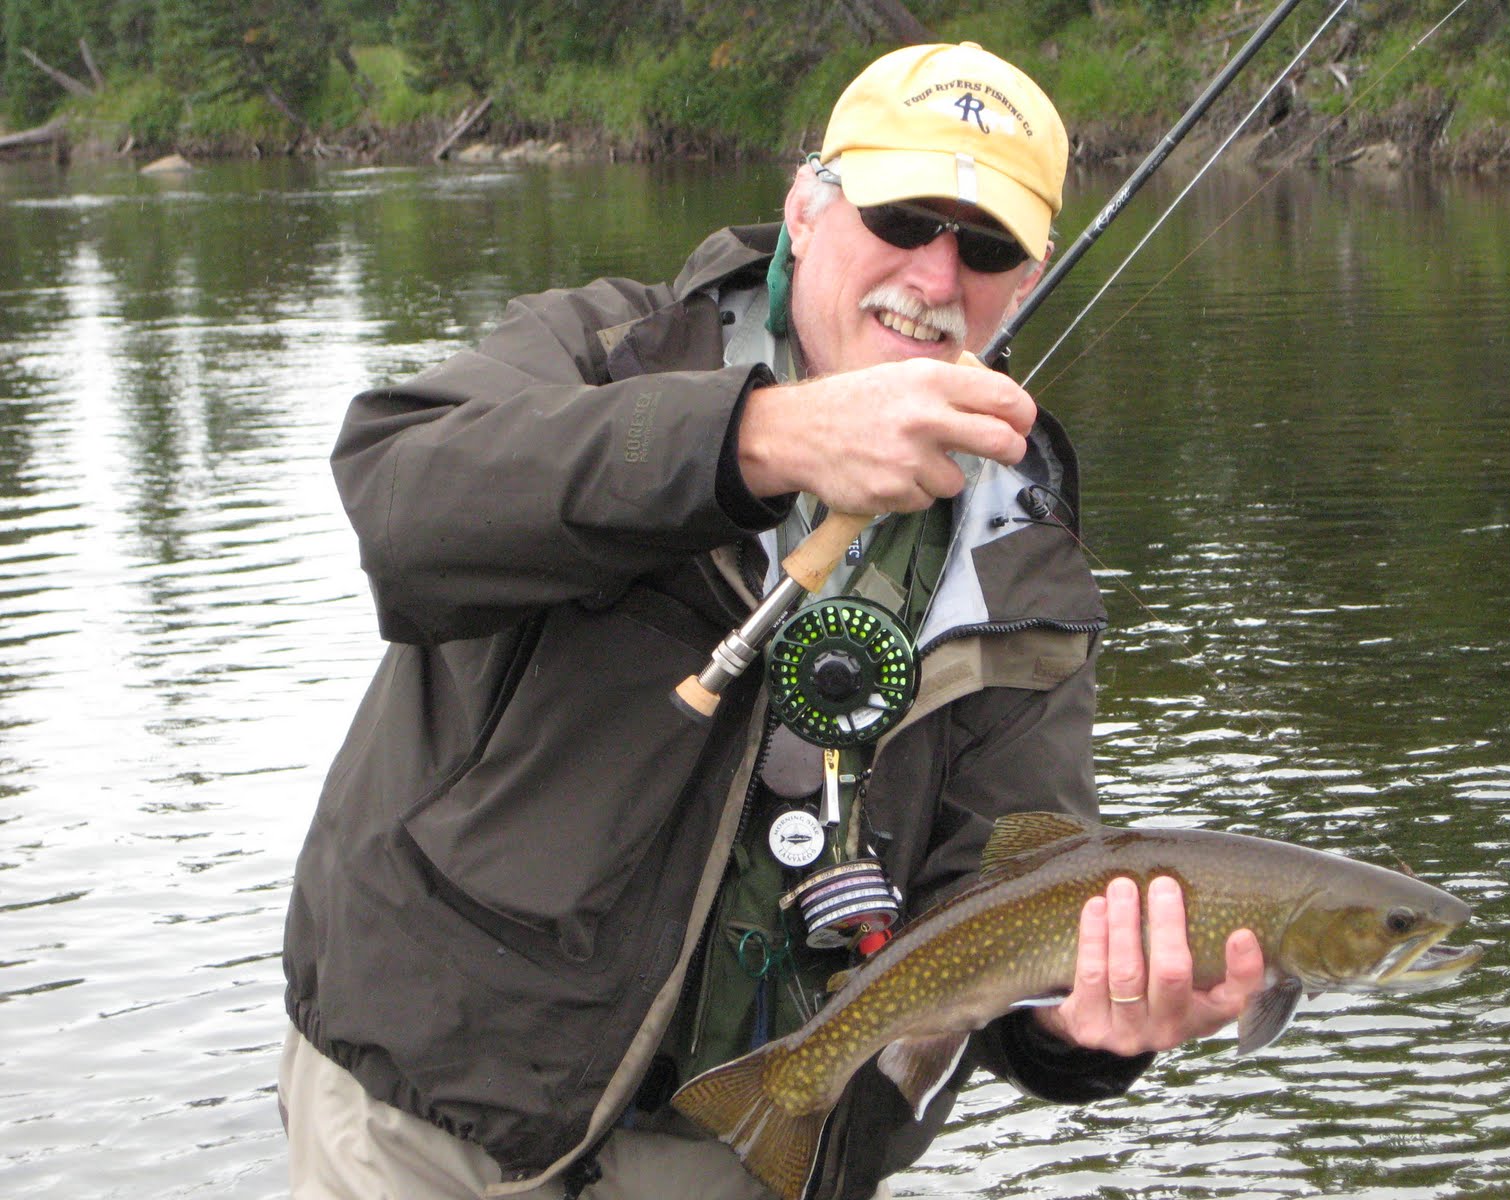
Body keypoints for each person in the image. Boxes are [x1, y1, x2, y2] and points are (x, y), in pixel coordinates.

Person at [278, 41, 1265, 1200]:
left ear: (1028, 280)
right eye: (904, 216)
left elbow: (991, 894)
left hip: (761, 1156)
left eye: (987, 245)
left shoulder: (1024, 550)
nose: (937, 275)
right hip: (425, 1120)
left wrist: (1079, 1030)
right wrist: (752, 444)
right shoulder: (599, 353)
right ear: (806, 202)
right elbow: (401, 508)